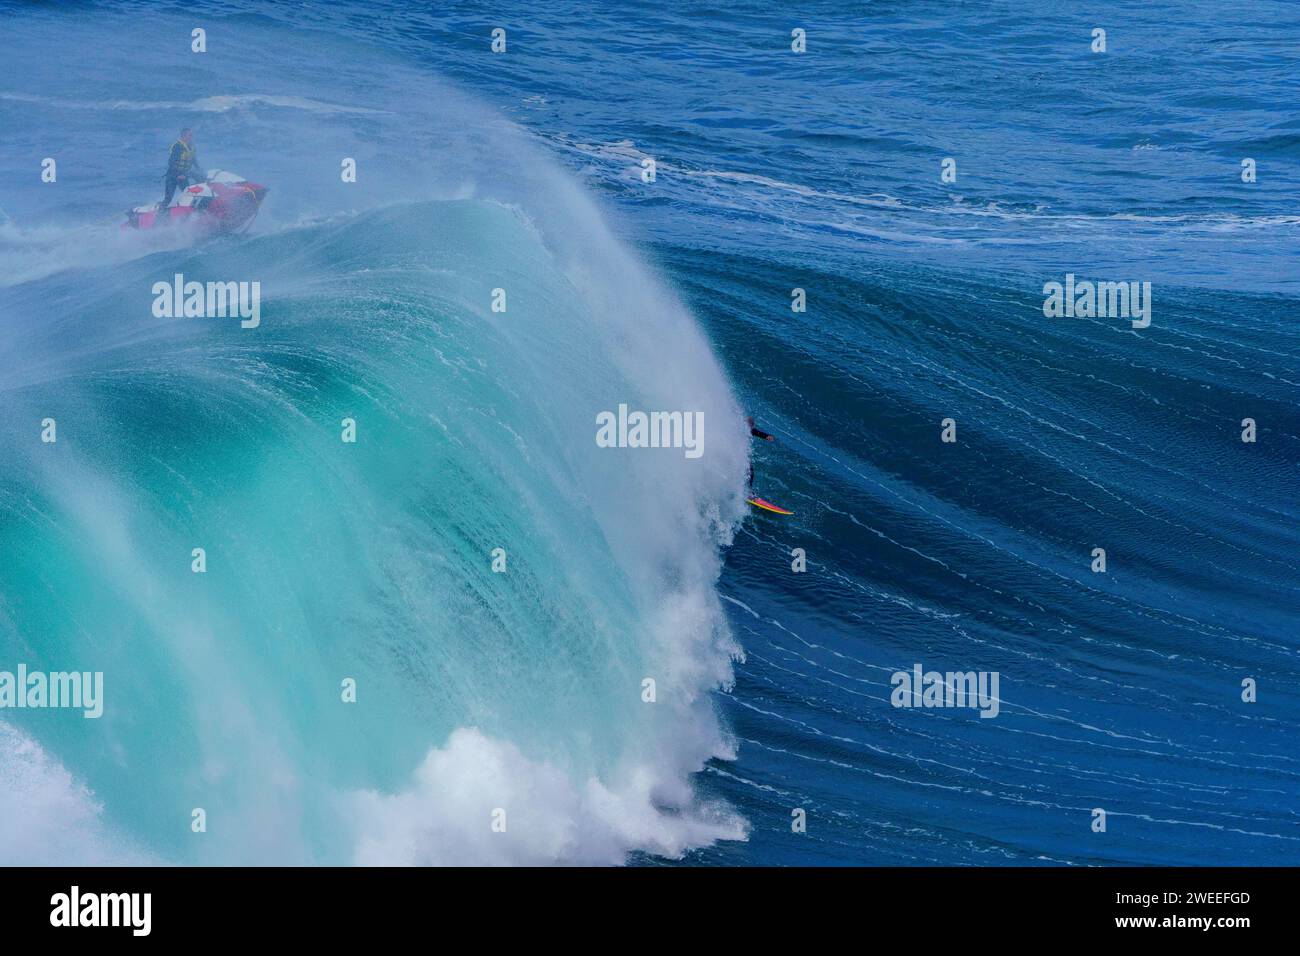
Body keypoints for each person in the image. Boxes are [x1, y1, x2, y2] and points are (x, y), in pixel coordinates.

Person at [160, 128, 203, 212]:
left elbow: (193, 159)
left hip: (183, 175)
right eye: (190, 135)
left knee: (188, 194)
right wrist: (178, 174)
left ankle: (189, 211)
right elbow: (171, 162)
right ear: (183, 136)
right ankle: (160, 213)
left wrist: (198, 169)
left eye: (192, 135)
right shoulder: (177, 146)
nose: (192, 137)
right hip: (173, 175)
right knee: (168, 198)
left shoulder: (191, 146)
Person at [746, 416, 774, 488]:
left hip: (740, 454)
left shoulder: (750, 430)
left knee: (750, 470)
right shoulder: (740, 428)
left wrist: (767, 436)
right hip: (736, 454)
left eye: (752, 425)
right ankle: (748, 489)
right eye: (751, 425)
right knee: (750, 469)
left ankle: (748, 489)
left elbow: (758, 433)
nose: (752, 426)